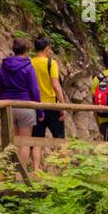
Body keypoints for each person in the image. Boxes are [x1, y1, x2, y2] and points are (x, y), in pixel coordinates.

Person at [0, 38, 41, 170]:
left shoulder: (4, 67)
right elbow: (35, 90)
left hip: (9, 106)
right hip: (25, 106)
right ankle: (21, 175)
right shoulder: (28, 67)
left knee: (13, 142)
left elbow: (1, 88)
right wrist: (40, 111)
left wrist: (2, 105)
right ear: (26, 50)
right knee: (25, 143)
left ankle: (11, 171)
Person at [29, 36, 66, 171]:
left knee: (37, 140)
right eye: (50, 49)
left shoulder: (30, 63)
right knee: (60, 139)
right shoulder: (51, 63)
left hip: (36, 107)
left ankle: (36, 170)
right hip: (52, 106)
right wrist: (62, 107)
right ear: (47, 48)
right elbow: (56, 86)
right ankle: (64, 170)